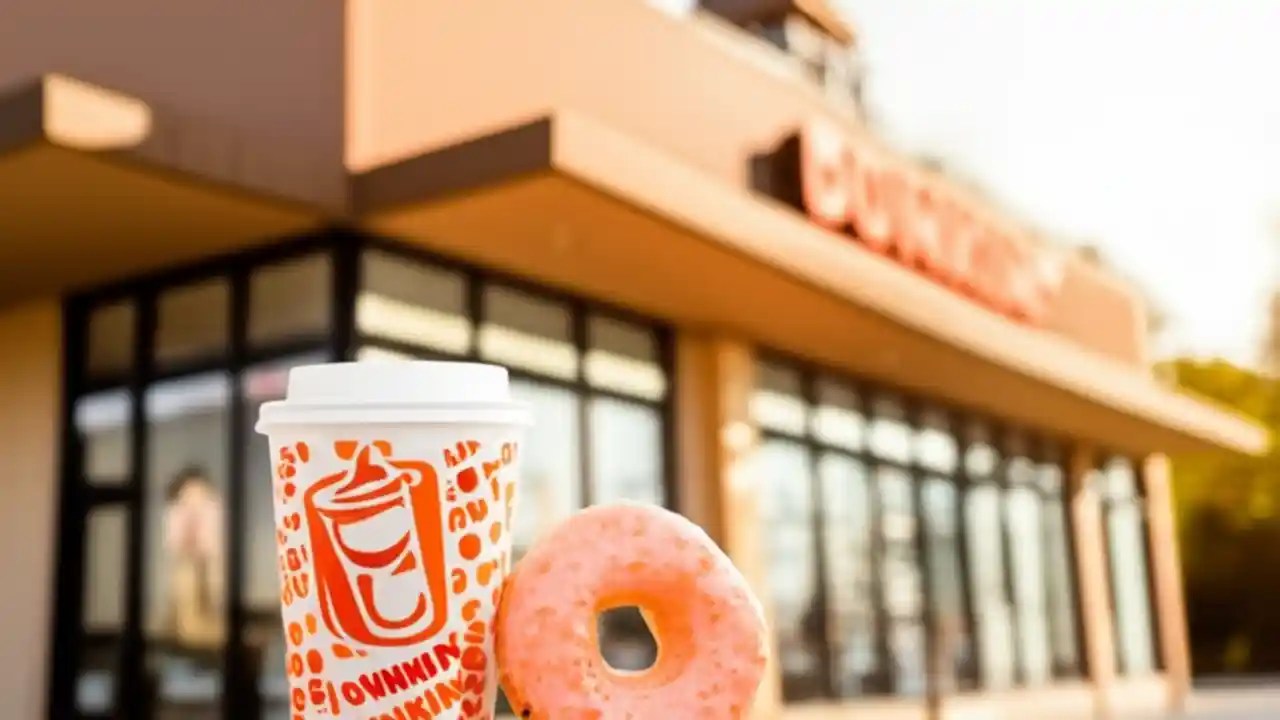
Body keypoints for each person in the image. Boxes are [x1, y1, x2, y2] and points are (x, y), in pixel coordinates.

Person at [163, 466, 226, 649]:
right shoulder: (180, 504)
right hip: (187, 560)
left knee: (208, 603)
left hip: (207, 557)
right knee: (186, 606)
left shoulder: (209, 500)